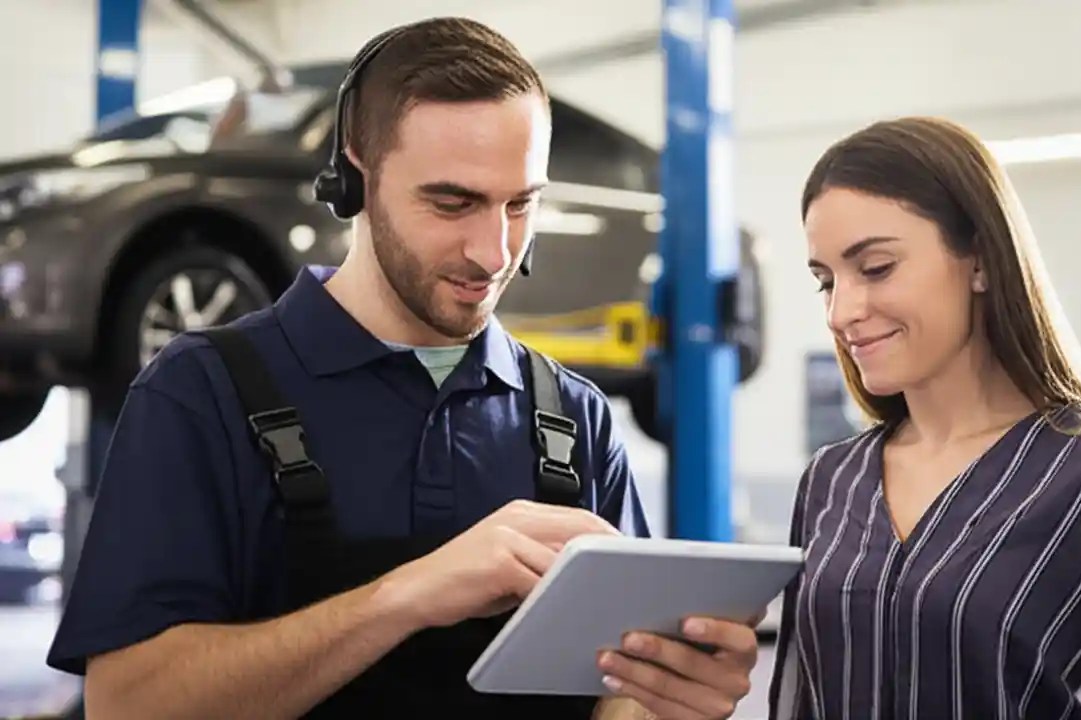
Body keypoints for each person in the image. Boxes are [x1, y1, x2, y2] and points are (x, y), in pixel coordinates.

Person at [47, 17, 758, 720]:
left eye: (521, 204)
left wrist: (671, 694)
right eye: (453, 203)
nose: (494, 252)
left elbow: (619, 689)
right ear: (354, 178)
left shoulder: (575, 418)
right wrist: (405, 598)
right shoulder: (201, 394)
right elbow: (126, 704)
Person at [767, 116, 1081, 719]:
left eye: (876, 268)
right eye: (826, 282)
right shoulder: (831, 481)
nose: (841, 311)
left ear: (981, 260)